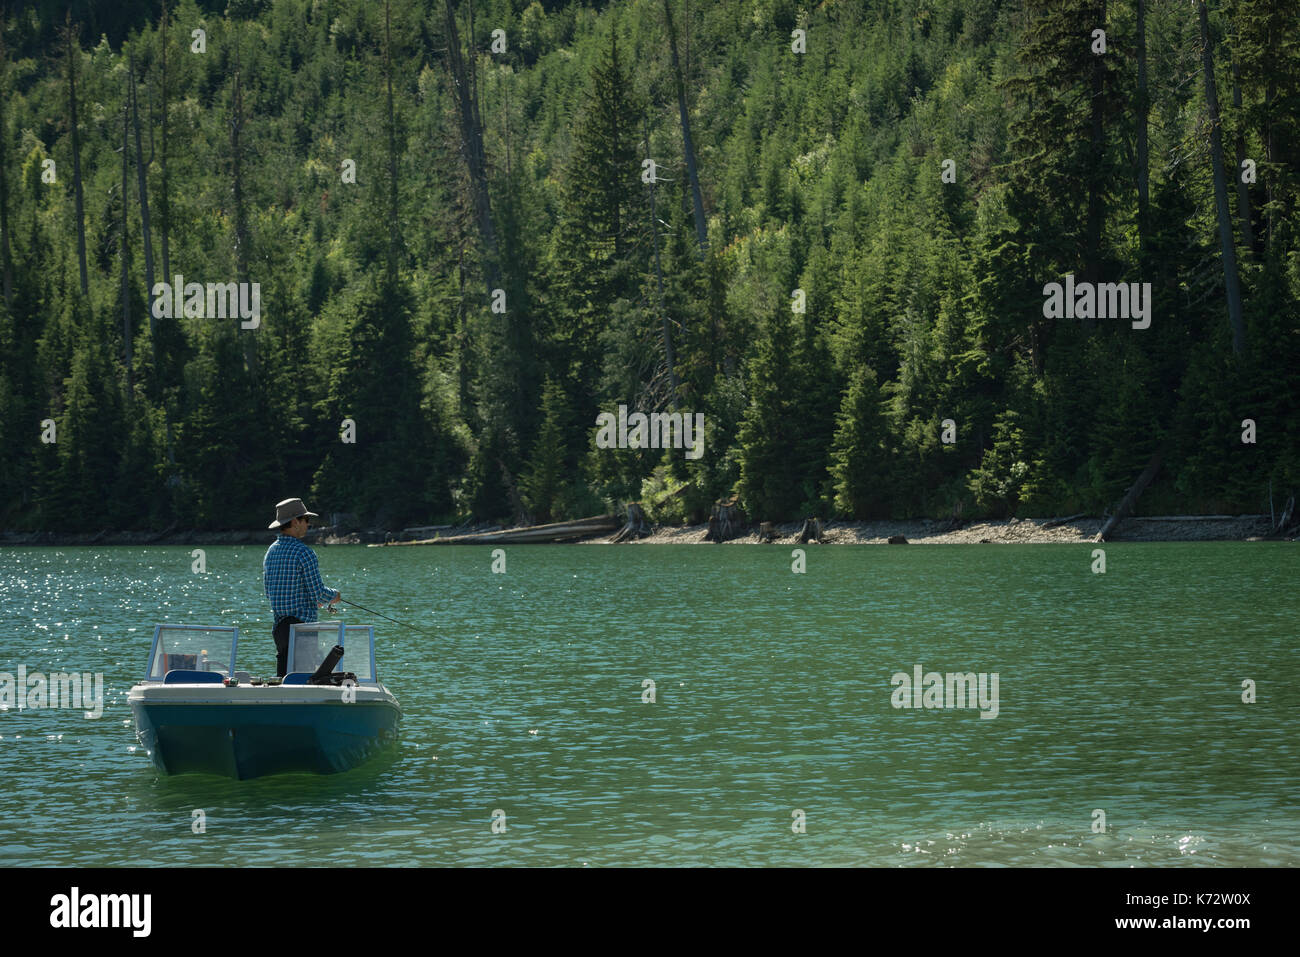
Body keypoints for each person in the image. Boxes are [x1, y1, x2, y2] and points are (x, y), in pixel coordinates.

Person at [263, 497, 341, 677]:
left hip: (280, 631)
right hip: (303, 631)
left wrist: (311, 599)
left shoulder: (271, 551)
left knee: (285, 682)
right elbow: (319, 593)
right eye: (306, 520)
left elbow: (269, 592)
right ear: (295, 521)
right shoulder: (304, 552)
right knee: (303, 681)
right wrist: (335, 595)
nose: (308, 524)